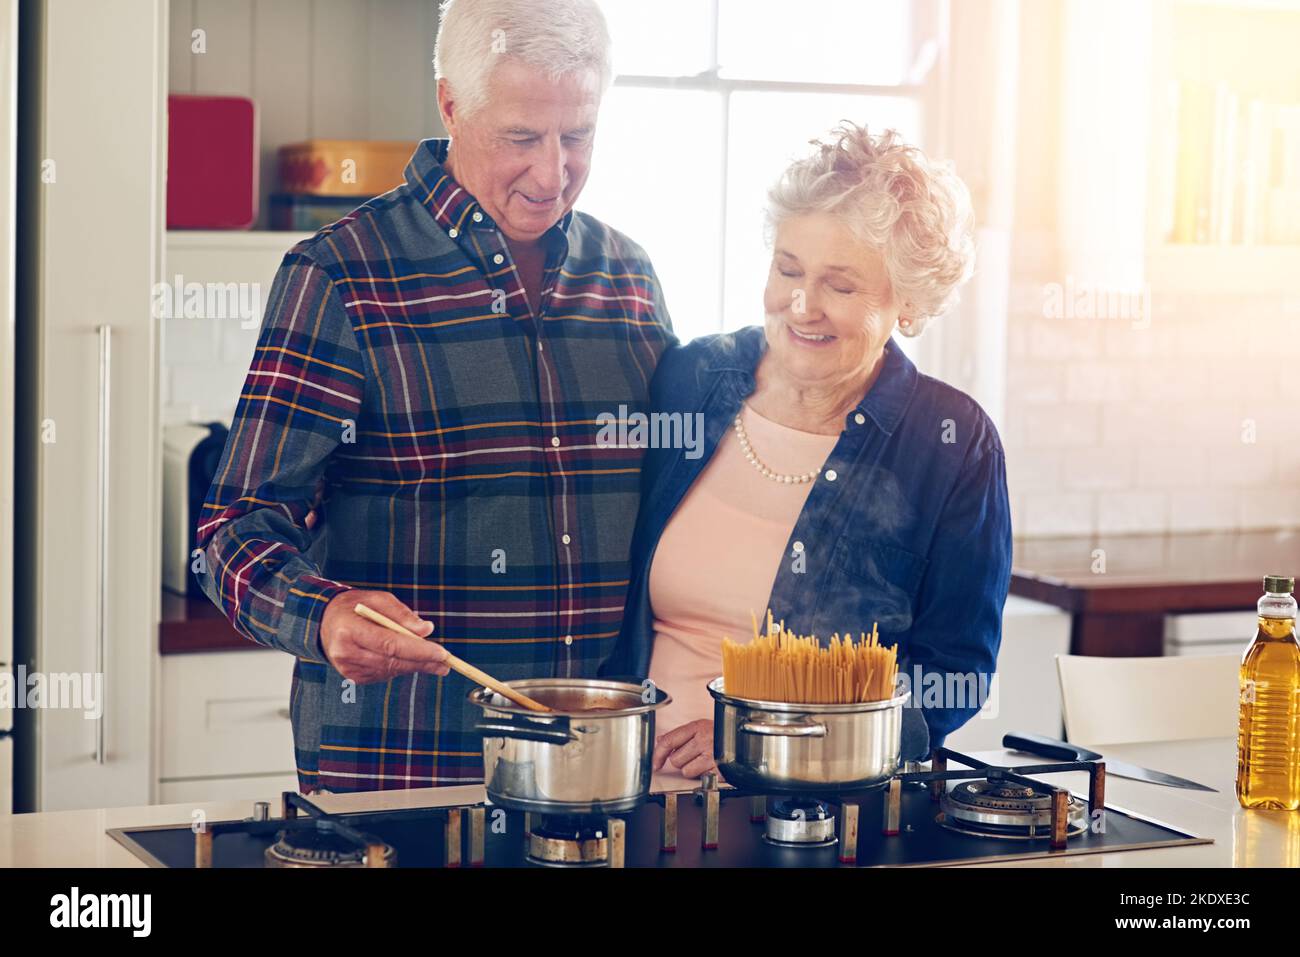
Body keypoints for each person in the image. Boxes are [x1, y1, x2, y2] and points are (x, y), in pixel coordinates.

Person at [196, 0, 673, 793]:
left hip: (594, 773)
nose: (553, 172)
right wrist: (323, 615)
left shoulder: (628, 277)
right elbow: (231, 532)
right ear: (452, 103)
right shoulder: (341, 275)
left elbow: (673, 508)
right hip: (407, 770)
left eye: (577, 135)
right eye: (522, 137)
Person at [603, 122, 1011, 782]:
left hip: (822, 807)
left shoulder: (953, 442)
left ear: (907, 302)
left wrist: (766, 736)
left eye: (840, 286)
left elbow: (953, 676)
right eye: (788, 269)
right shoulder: (692, 379)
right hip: (635, 789)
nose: (801, 305)